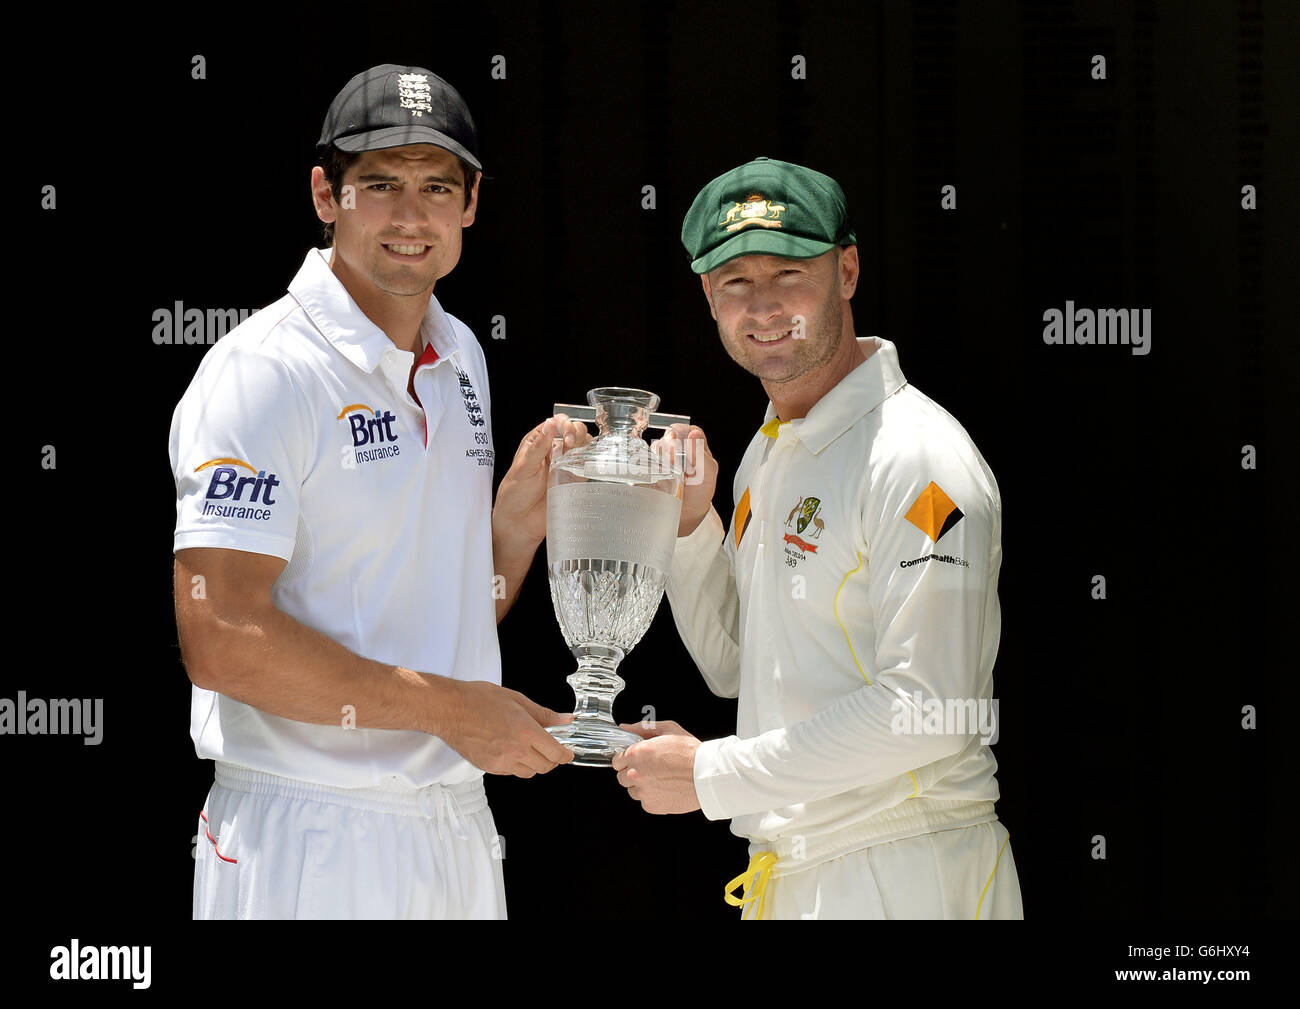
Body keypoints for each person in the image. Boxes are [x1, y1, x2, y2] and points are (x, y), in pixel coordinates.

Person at [170, 64, 585, 920]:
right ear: (326, 194)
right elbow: (219, 636)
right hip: (308, 833)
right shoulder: (261, 371)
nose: (409, 216)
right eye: (380, 184)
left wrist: (511, 532)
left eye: (437, 186)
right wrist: (452, 712)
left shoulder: (461, 352)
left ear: (471, 205)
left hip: (456, 826)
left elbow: (433, 616)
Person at [612, 156, 1024, 919]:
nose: (764, 305)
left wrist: (711, 774)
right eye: (735, 280)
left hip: (908, 871)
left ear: (847, 269)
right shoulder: (770, 450)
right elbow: (740, 668)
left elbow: (932, 706)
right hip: (795, 873)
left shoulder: (919, 458)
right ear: (707, 296)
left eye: (789, 272)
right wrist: (696, 523)